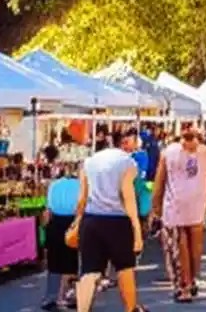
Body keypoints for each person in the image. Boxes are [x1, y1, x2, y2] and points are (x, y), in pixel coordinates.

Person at [74, 130, 146, 312]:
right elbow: (128, 197)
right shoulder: (128, 163)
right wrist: (137, 230)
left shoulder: (89, 162)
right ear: (124, 142)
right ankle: (131, 309)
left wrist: (77, 221)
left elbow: (82, 198)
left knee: (89, 271)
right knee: (125, 267)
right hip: (118, 220)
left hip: (91, 219)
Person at [153, 127, 206, 303]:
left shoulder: (168, 152)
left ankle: (185, 284)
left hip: (176, 207)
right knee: (193, 246)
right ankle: (189, 281)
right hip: (195, 207)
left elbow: (159, 182)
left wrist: (156, 208)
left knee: (181, 246)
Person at [42, 166, 81, 310]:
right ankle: (66, 295)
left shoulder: (54, 185)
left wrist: (45, 229)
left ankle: (50, 297)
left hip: (54, 224)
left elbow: (47, 211)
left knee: (54, 262)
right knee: (72, 262)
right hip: (73, 223)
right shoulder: (81, 185)